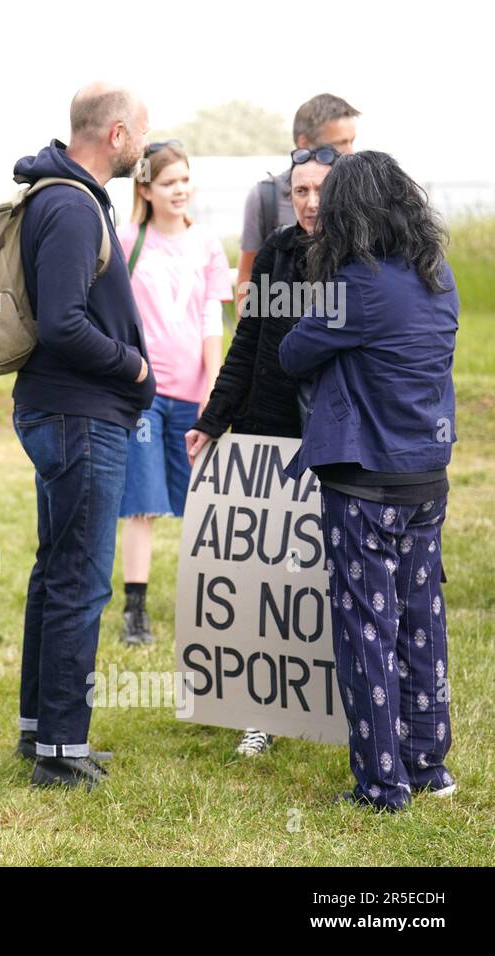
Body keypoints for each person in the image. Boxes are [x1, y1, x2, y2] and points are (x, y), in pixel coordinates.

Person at [278, 151, 458, 811]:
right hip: (427, 478)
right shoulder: (441, 278)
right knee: (422, 622)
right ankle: (428, 767)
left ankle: (382, 787)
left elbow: (293, 351)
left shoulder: (356, 288)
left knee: (366, 629)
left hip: (364, 482)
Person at [10, 83, 155, 790]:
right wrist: (133, 365)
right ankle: (62, 756)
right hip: (78, 415)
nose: (147, 151)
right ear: (118, 135)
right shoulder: (69, 204)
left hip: (63, 412)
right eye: (143, 138)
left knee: (56, 570)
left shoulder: (61, 195)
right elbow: (63, 323)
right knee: (78, 581)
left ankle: (40, 732)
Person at [185, 144, 339, 757]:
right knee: (265, 572)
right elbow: (248, 341)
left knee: (328, 569)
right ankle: (260, 711)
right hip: (268, 429)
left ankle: (337, 699)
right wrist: (214, 418)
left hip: (335, 433)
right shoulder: (276, 252)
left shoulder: (362, 259)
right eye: (299, 191)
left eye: (321, 191)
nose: (309, 203)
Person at [116, 141, 228, 645]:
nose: (179, 190)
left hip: (192, 395)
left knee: (198, 504)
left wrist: (213, 387)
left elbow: (211, 318)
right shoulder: (126, 241)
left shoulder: (207, 243)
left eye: (184, 179)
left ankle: (206, 603)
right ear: (146, 189)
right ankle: (134, 611)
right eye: (168, 182)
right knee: (141, 503)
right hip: (142, 395)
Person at [236, 94, 358, 298]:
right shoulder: (266, 197)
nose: (350, 152)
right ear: (304, 144)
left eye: (352, 141)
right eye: (339, 144)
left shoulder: (361, 196)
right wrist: (248, 328)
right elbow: (248, 275)